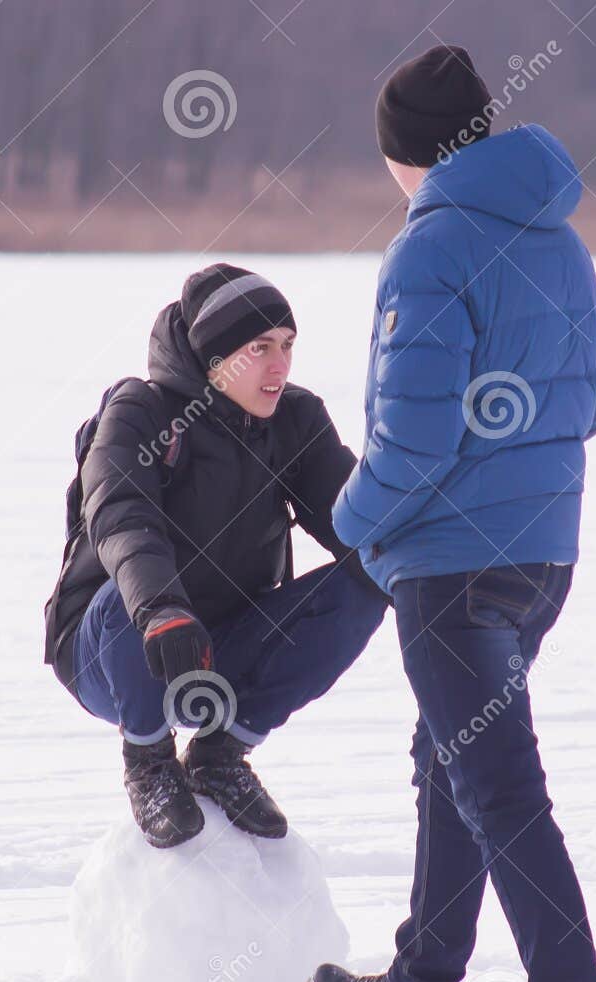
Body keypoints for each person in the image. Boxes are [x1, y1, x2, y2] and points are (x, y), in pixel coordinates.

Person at [307, 47, 596, 982]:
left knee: (498, 788)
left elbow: (414, 441)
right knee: (452, 760)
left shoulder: (430, 245)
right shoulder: (558, 234)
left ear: (404, 152)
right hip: (543, 554)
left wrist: (348, 522)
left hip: (452, 567)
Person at [43, 264, 388, 849]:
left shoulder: (294, 420)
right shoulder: (140, 413)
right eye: (259, 348)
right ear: (212, 358)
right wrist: (162, 612)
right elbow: (123, 518)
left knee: (370, 581)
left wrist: (436, 565)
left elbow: (358, 526)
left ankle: (220, 753)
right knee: (125, 599)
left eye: (287, 346)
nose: (280, 365)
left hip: (220, 644)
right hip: (112, 648)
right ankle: (149, 761)